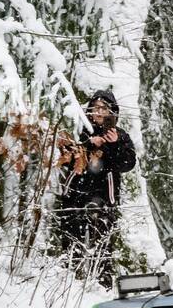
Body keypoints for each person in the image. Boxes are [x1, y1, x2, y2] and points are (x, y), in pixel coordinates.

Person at [57, 89, 136, 284]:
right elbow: (64, 157)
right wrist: (88, 144)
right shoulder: (80, 131)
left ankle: (103, 283)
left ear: (112, 112)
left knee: (103, 241)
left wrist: (113, 145)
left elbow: (127, 164)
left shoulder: (120, 136)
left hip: (104, 196)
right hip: (75, 193)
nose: (98, 113)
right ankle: (70, 281)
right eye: (95, 108)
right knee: (70, 238)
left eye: (104, 109)